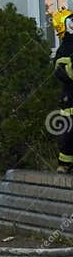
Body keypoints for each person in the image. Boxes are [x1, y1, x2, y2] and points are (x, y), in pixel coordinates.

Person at [52, 9, 73, 172]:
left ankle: (64, 164)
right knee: (68, 132)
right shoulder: (65, 49)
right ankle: (64, 165)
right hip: (70, 99)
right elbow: (64, 72)